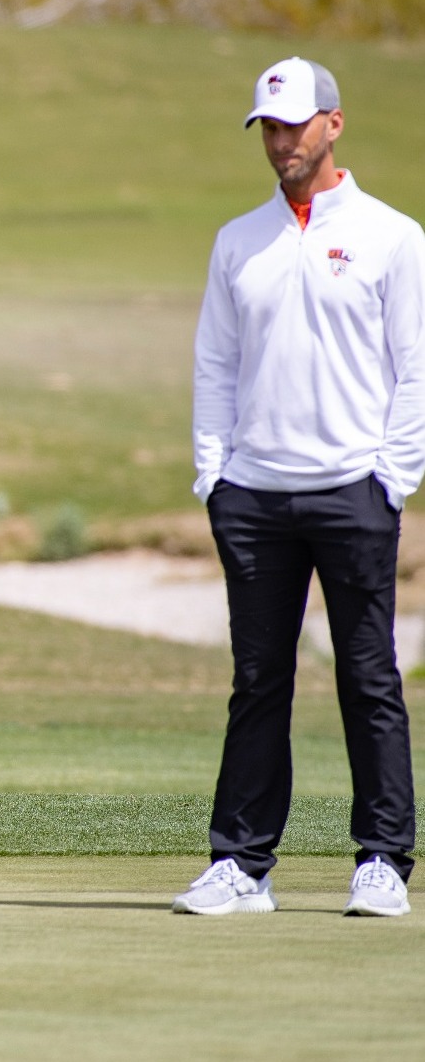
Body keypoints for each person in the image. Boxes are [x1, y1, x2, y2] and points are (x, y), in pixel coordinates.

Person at [178, 57, 425, 917]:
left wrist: (391, 478)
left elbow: (414, 371)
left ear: (334, 124)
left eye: (293, 125)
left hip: (352, 489)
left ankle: (385, 859)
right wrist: (216, 474)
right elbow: (216, 364)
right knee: (258, 680)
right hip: (253, 494)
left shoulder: (395, 236)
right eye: (268, 128)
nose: (280, 142)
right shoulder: (237, 239)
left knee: (368, 675)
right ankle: (243, 865)